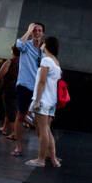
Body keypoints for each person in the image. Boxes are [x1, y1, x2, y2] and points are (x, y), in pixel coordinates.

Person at [28, 34, 62, 167]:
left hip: (43, 100)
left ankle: (41, 159)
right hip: (52, 100)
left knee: (42, 131)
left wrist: (37, 101)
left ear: (46, 45)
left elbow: (42, 82)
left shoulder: (46, 60)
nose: (41, 44)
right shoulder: (56, 62)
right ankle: (53, 159)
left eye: (43, 43)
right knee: (47, 130)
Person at [11, 21, 45, 158]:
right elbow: (18, 44)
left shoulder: (43, 51)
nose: (37, 33)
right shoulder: (26, 46)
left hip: (37, 89)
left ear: (43, 33)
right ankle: (18, 146)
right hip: (24, 85)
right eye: (34, 31)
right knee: (20, 115)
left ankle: (45, 150)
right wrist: (28, 31)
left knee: (40, 120)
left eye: (39, 30)